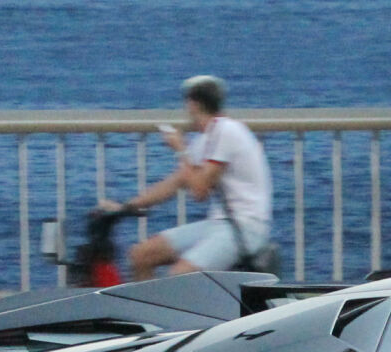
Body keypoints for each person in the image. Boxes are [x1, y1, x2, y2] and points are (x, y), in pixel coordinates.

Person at [107, 75, 275, 279]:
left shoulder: (227, 131)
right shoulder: (206, 139)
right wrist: (126, 207)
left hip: (245, 228)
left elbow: (199, 191)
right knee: (141, 255)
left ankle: (174, 309)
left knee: (179, 276)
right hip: (219, 225)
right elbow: (175, 183)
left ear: (193, 104)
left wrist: (180, 149)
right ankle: (151, 310)